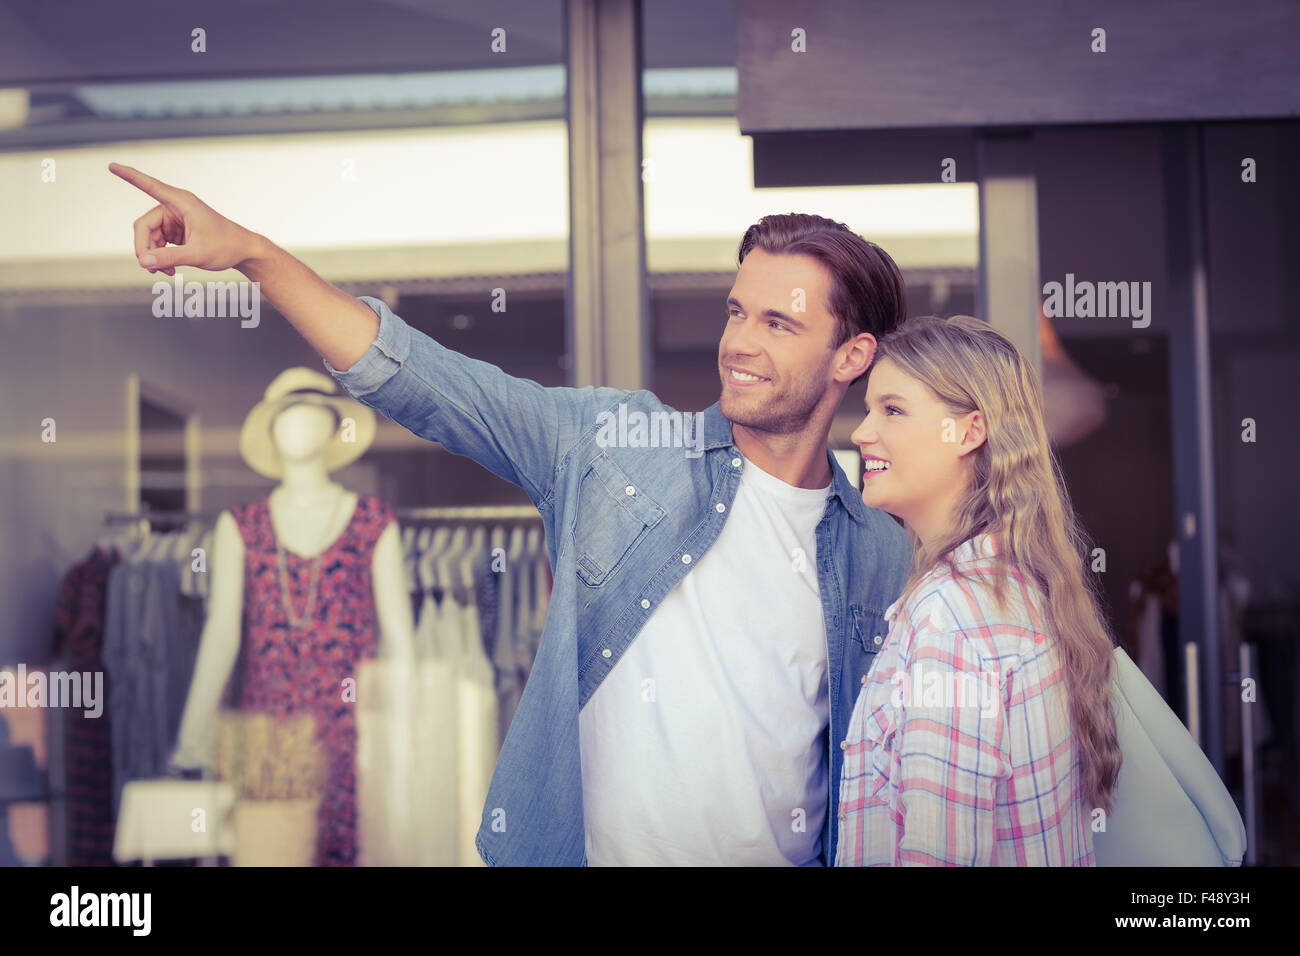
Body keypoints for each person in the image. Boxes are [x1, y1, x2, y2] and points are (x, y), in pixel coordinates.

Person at [108, 160, 912, 865]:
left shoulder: (882, 552)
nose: (739, 341)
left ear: (852, 355)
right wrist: (254, 254)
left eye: (779, 323)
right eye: (738, 311)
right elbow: (419, 377)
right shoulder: (613, 447)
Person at [837, 314, 1121, 866]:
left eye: (892, 410)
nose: (862, 431)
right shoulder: (1005, 586)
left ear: (968, 431)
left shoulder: (953, 614)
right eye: (870, 408)